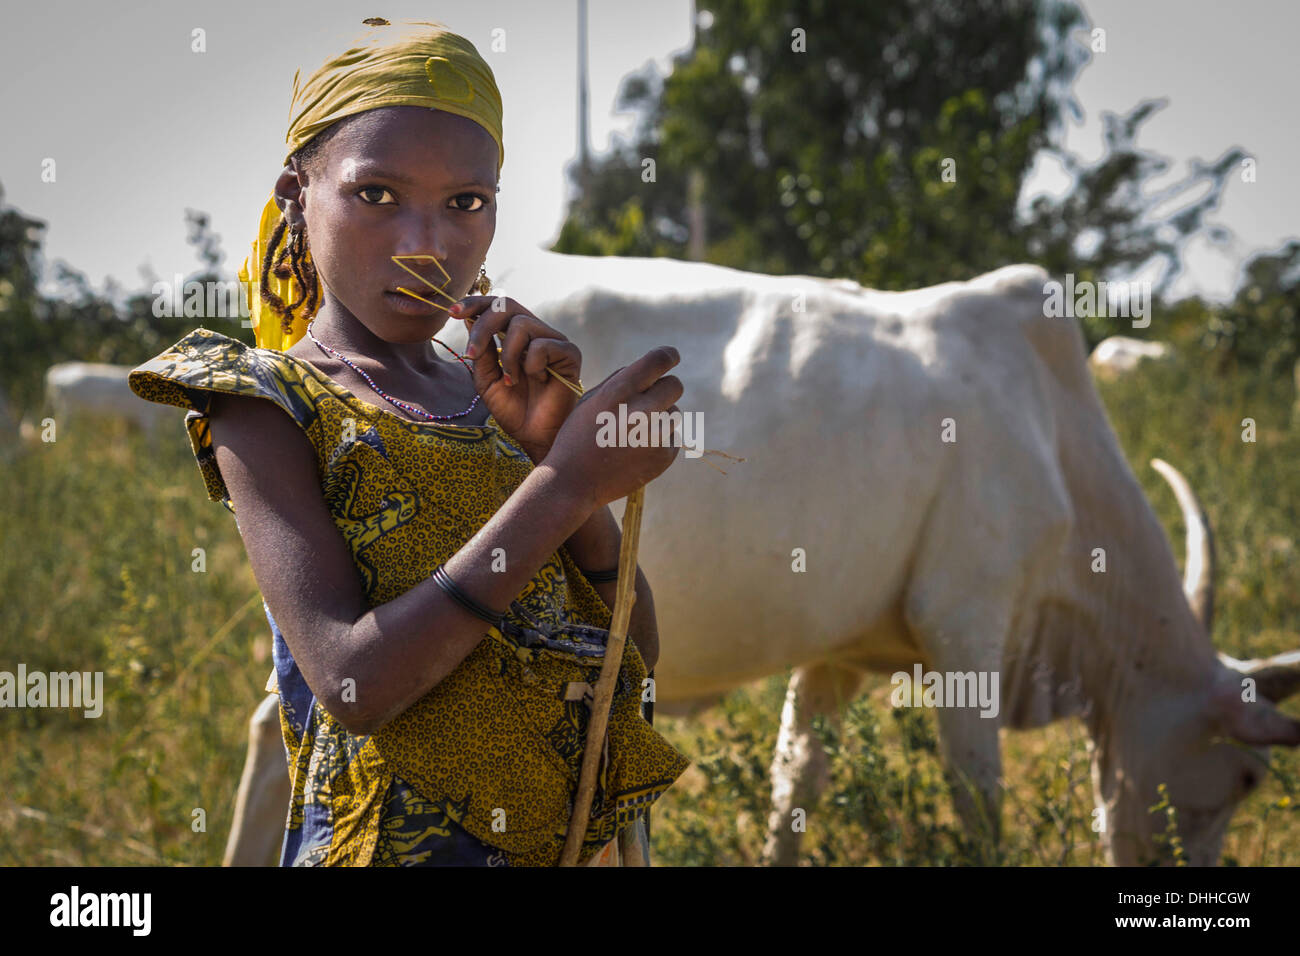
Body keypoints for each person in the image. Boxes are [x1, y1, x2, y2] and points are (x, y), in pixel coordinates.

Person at [127, 18, 690, 867]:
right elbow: (356, 683)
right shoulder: (269, 404)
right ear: (295, 196)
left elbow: (633, 657)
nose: (425, 244)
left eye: (466, 203)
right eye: (376, 195)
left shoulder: (495, 394)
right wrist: (565, 485)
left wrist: (553, 458)